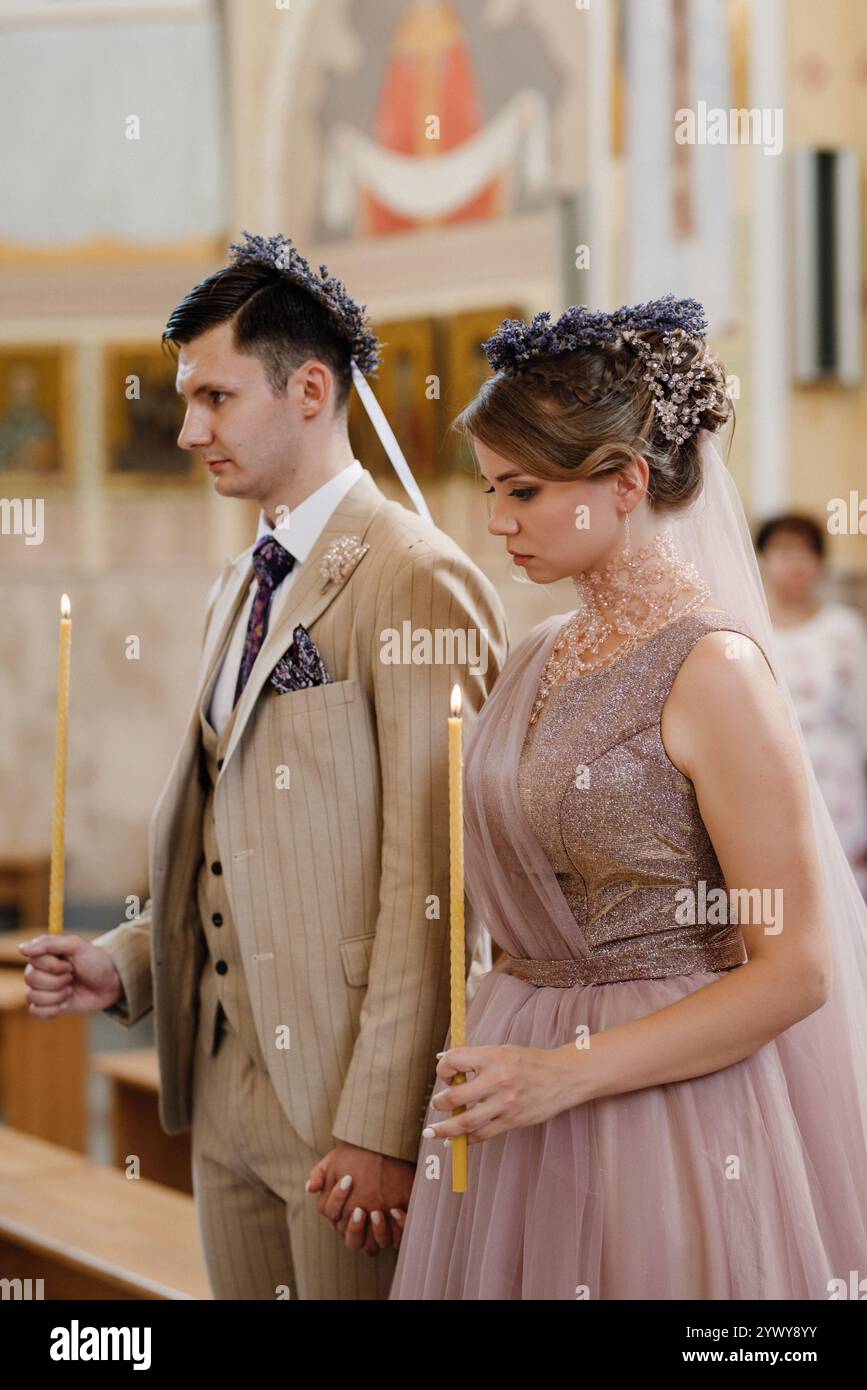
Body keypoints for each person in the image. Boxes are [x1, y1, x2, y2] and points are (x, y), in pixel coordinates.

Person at [19, 231, 508, 1300]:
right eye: (185, 400)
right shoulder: (238, 583)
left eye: (215, 398)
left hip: (345, 1098)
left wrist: (383, 1124)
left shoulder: (416, 578)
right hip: (226, 1084)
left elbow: (434, 890)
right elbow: (228, 837)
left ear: (310, 389)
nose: (189, 430)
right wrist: (124, 962)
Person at [388, 295, 867, 1300]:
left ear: (625, 482)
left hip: (662, 1109)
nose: (497, 519)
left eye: (521, 489)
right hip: (513, 1084)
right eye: (490, 490)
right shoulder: (531, 656)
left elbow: (800, 970)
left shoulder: (714, 670)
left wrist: (566, 1072)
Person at [757, 514, 867, 901]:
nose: (796, 563)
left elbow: (861, 710)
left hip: (839, 780)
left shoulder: (844, 628)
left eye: (807, 552)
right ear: (763, 561)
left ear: (820, 563)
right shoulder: (750, 630)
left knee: (845, 890)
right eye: (784, 551)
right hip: (775, 779)